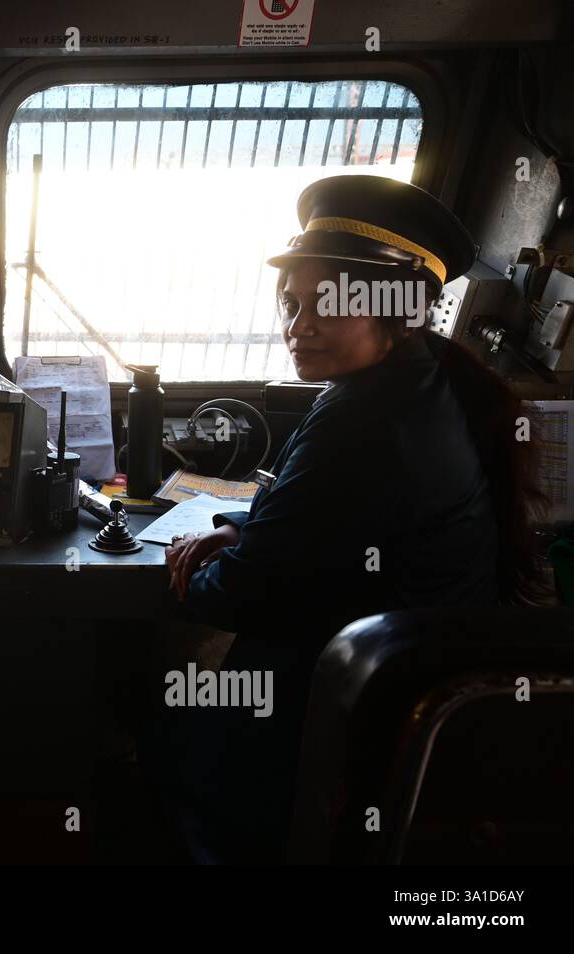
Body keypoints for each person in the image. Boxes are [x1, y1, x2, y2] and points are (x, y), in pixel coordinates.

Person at [159, 175, 548, 864]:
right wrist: (243, 526)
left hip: (358, 709)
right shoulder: (424, 380)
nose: (297, 326)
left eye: (327, 305)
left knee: (170, 728)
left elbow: (242, 594)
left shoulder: (368, 419)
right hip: (396, 679)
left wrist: (192, 565)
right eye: (290, 304)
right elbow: (321, 515)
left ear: (399, 312)